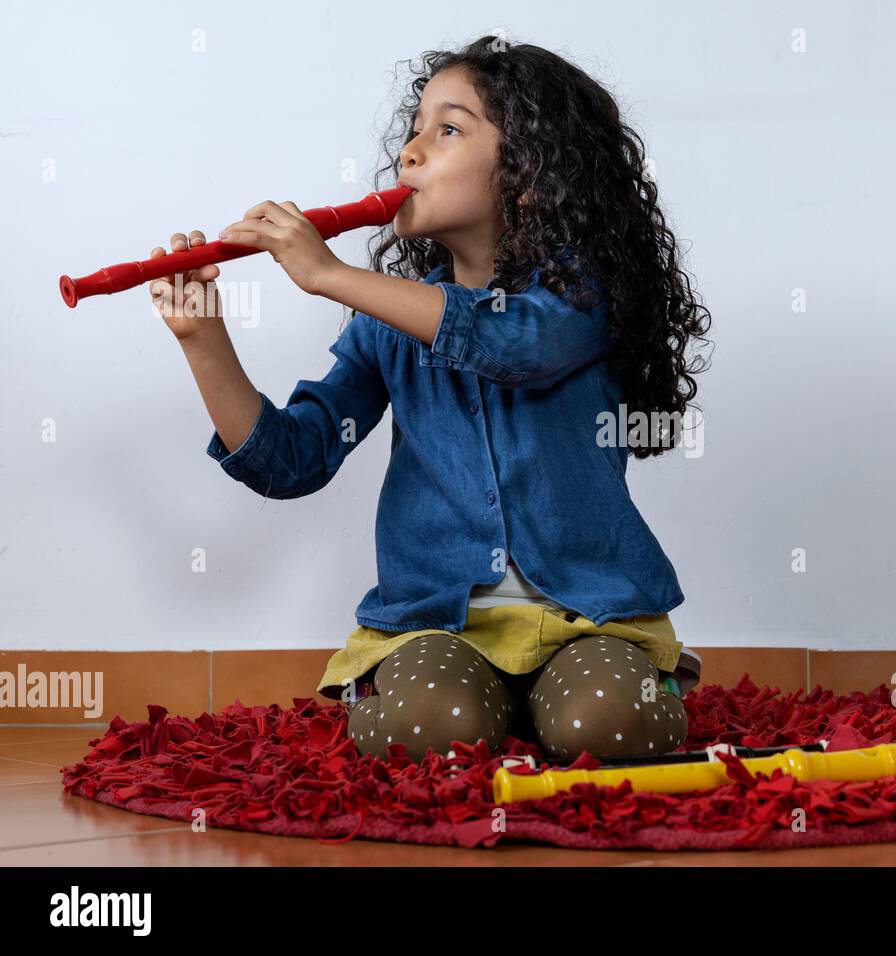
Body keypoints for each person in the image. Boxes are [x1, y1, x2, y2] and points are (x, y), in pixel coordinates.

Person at [150, 35, 712, 764]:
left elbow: (510, 345)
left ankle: (609, 691)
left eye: (447, 129)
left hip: (590, 618)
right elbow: (292, 461)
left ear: (531, 174)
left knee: (608, 725)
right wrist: (204, 340)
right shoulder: (383, 327)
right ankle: (477, 706)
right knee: (436, 728)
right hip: (436, 626)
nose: (409, 153)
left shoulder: (579, 296)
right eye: (412, 130)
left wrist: (328, 274)